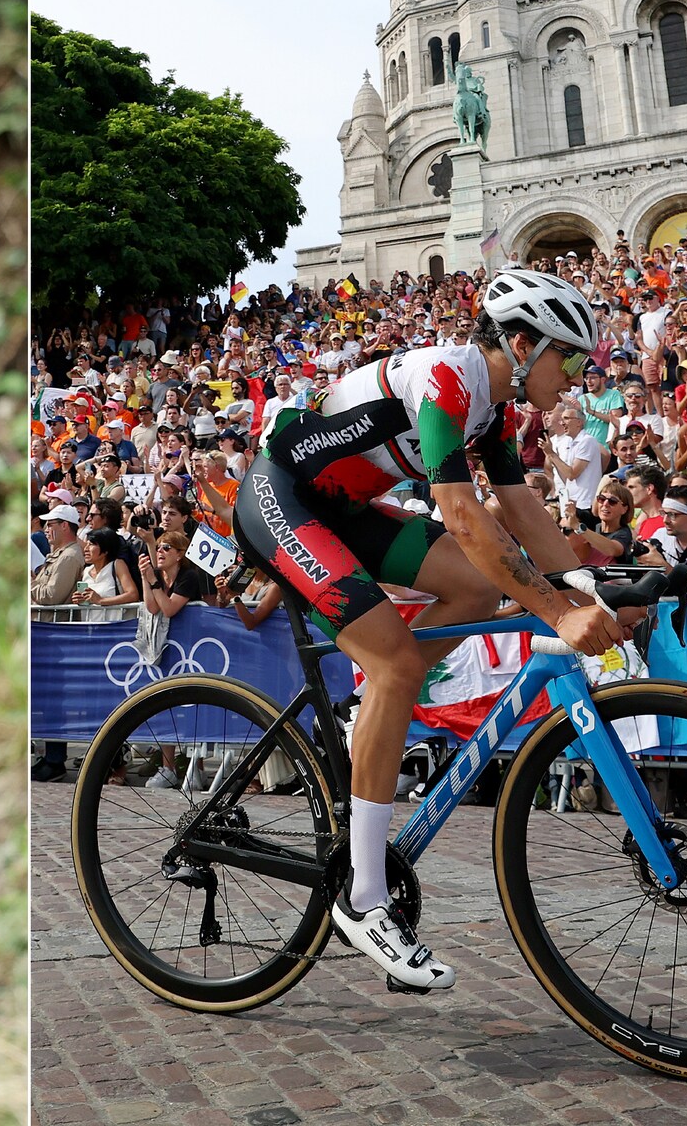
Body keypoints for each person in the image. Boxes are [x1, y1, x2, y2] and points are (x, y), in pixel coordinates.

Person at [232, 269, 621, 992]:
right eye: (570, 359)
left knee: (466, 592)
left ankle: (368, 715)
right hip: (281, 497)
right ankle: (363, 898)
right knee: (399, 668)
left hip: (343, 508)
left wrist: (585, 585)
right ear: (523, 342)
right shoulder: (448, 378)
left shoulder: (492, 410)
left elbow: (521, 508)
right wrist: (557, 610)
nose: (576, 377)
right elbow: (464, 514)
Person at [71, 527, 142, 614]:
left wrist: (101, 600)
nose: (86, 549)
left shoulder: (117, 565)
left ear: (106, 550)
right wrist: (80, 599)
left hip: (113, 625)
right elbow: (88, 601)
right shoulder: (86, 571)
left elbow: (133, 594)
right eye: (86, 544)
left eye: (92, 544)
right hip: (90, 625)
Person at [32, 504, 87, 606]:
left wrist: (30, 582)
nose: (46, 530)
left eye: (50, 525)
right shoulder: (62, 554)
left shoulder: (69, 557)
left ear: (64, 525)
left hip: (49, 620)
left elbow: (50, 597)